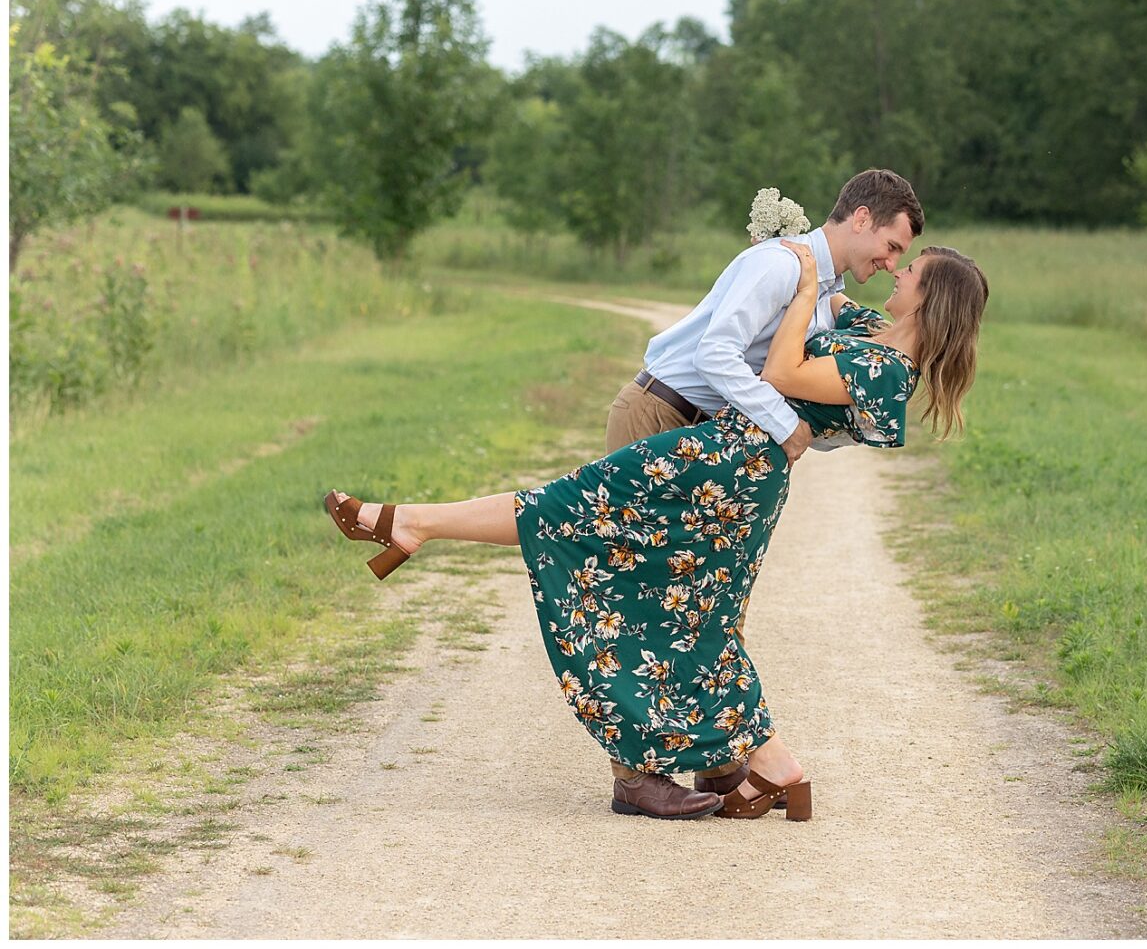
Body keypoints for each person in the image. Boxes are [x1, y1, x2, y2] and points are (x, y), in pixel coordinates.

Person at [326, 239, 987, 821]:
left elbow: (781, 372)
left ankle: (774, 765)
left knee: (609, 542)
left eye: (912, 271)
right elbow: (834, 295)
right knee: (662, 586)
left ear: (931, 301)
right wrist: (800, 257)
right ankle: (760, 767)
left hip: (728, 470)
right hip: (722, 460)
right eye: (898, 257)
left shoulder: (885, 371)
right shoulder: (872, 333)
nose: (897, 272)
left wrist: (808, 285)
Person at [594, 168, 925, 818]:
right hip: (662, 414)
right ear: (861, 219)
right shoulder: (780, 265)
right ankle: (634, 776)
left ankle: (718, 761)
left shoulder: (821, 286)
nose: (891, 263)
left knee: (707, 603)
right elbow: (717, 355)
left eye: (901, 257)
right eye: (891, 246)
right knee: (643, 599)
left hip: (705, 439)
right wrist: (786, 427)